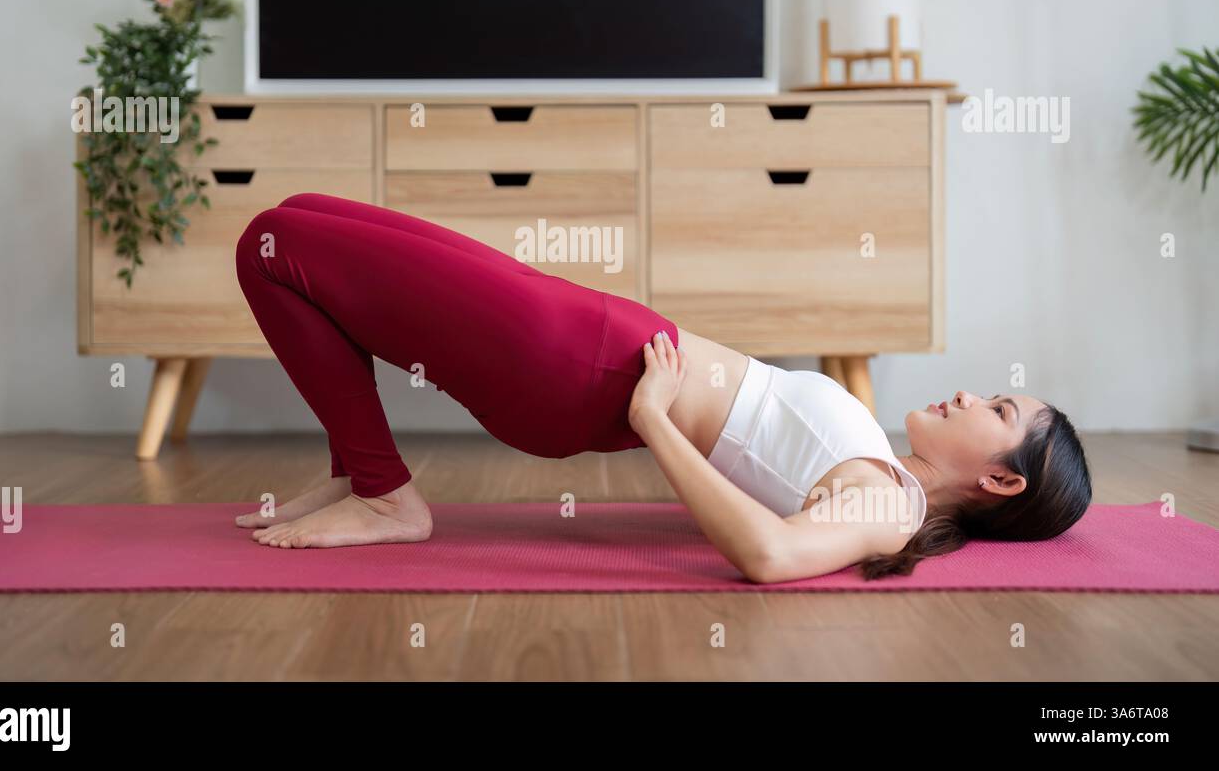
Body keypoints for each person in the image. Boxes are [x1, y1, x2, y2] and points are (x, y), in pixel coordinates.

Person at [233, 194, 1091, 583]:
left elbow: (769, 557)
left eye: (998, 411)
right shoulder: (885, 472)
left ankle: (387, 498)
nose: (974, 396)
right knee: (303, 214)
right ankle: (359, 470)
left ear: (1002, 479)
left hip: (574, 362)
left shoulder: (890, 509)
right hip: (589, 336)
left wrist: (655, 421)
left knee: (274, 245)